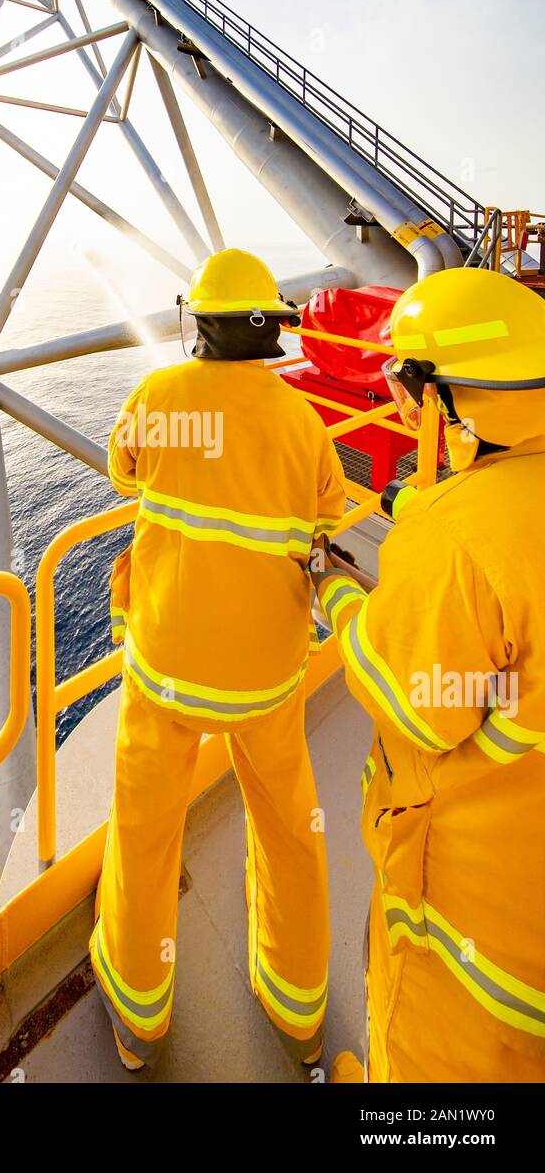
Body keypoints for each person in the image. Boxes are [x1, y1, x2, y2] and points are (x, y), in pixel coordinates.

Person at [90, 248, 346, 1070]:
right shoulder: (303, 424)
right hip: (266, 678)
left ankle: (140, 1021)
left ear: (196, 323)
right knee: (292, 832)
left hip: (165, 668)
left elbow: (122, 468)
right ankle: (299, 1009)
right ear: (268, 331)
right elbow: (329, 520)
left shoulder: (159, 398)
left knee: (142, 832)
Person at [313, 267, 545, 1083]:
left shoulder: (458, 542)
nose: (405, 412)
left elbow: (412, 706)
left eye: (410, 391)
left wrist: (341, 595)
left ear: (451, 400)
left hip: (485, 956)